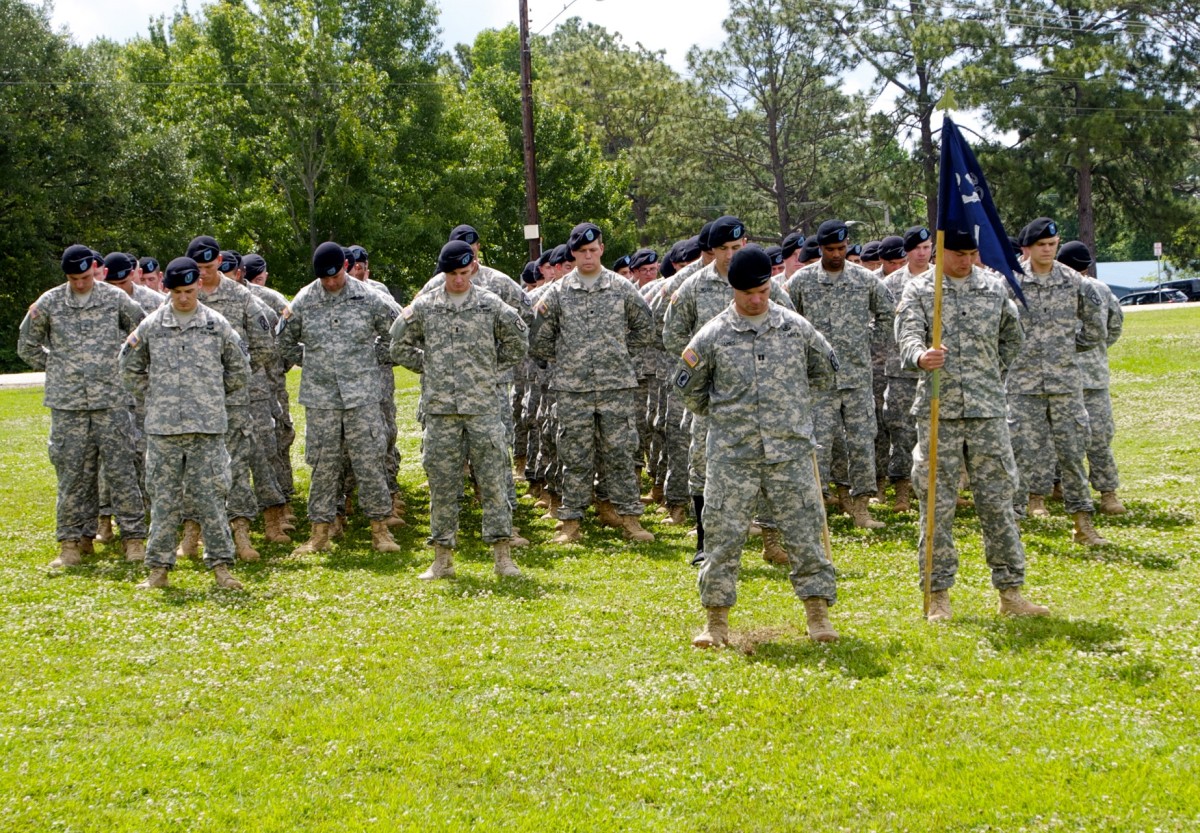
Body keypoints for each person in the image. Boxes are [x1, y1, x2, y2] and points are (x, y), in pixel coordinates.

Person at [674, 245, 840, 646]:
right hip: (734, 456)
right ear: (733, 290)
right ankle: (716, 624)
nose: (757, 299)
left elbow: (824, 373)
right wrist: (731, 422)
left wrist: (791, 410)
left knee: (804, 535)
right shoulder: (712, 335)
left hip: (791, 453)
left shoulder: (795, 328)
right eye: (748, 292)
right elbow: (690, 392)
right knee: (722, 539)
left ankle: (818, 616)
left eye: (763, 291)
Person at [894, 228, 1050, 620]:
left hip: (986, 411)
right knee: (936, 505)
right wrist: (920, 357)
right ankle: (938, 594)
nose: (965, 261)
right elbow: (907, 334)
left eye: (971, 253)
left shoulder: (993, 288)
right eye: (957, 254)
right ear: (942, 251)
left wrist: (987, 375)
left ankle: (1011, 593)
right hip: (938, 411)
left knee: (999, 501)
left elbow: (1011, 339)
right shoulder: (920, 289)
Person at [390, 241, 529, 579]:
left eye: (464, 274)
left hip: (482, 406)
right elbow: (397, 343)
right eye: (452, 274)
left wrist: (490, 368)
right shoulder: (425, 306)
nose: (459, 281)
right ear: (443, 273)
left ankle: (502, 556)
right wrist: (429, 366)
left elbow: (519, 340)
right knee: (442, 483)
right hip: (442, 410)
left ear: (472, 270)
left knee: (494, 480)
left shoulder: (488, 303)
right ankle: (442, 559)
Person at [119, 257, 250, 590]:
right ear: (168, 290)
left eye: (189, 291)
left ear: (199, 288)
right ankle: (158, 570)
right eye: (177, 292)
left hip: (206, 429)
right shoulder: (152, 325)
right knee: (164, 502)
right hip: (164, 430)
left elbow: (239, 368)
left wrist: (210, 395)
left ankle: (221, 567)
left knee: (212, 501)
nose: (183, 298)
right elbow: (128, 366)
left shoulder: (216, 324)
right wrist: (156, 395)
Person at [18, 244, 147, 567]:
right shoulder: (49, 302)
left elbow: (142, 332)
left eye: (86, 276)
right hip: (68, 405)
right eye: (74, 278)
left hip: (111, 401)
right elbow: (27, 344)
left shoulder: (115, 298)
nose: (80, 283)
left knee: (122, 471)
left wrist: (122, 366)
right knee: (72, 475)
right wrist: (57, 367)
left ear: (95, 268)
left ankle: (133, 539)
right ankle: (73, 542)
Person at [529, 222, 657, 544]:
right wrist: (567, 359)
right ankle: (570, 523)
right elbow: (539, 339)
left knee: (621, 454)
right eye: (581, 252)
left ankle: (629, 519)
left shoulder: (621, 288)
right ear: (573, 253)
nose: (588, 256)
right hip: (574, 389)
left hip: (615, 387)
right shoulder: (557, 293)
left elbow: (645, 328)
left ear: (601, 249)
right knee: (575, 456)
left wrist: (619, 354)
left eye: (593, 250)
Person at [278, 242, 403, 555]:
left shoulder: (369, 297)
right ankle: (319, 533)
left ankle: (380, 530)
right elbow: (284, 341)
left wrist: (372, 357)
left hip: (362, 395)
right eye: (325, 278)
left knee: (370, 461)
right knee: (322, 463)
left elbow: (398, 332)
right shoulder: (305, 299)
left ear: (345, 268)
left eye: (335, 276)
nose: (330, 283)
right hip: (322, 399)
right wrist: (315, 360)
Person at [786, 219, 895, 529]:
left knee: (862, 442)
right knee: (818, 444)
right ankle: (816, 507)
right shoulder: (803, 281)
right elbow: (788, 322)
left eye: (842, 248)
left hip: (857, 378)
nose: (837, 254)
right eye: (831, 249)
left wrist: (869, 344)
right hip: (818, 381)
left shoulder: (864, 279)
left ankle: (861, 507)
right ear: (820, 248)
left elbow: (888, 313)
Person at [1005, 217, 1108, 546]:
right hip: (1022, 385)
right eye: (1041, 246)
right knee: (1019, 454)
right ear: (1027, 249)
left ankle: (1082, 524)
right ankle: (1014, 524)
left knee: (1072, 454)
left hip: (1064, 383)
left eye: (1052, 245)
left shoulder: (1073, 281)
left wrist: (1066, 348)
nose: (1048, 250)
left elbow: (1095, 328)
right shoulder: (1010, 281)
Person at [1057, 241, 1127, 515]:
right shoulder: (1055, 291)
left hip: (1090, 379)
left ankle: (1107, 492)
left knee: (1097, 437)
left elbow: (1111, 327)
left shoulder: (1098, 291)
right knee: (1056, 439)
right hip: (1062, 378)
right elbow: (1114, 330)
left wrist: (1088, 351)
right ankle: (1056, 488)